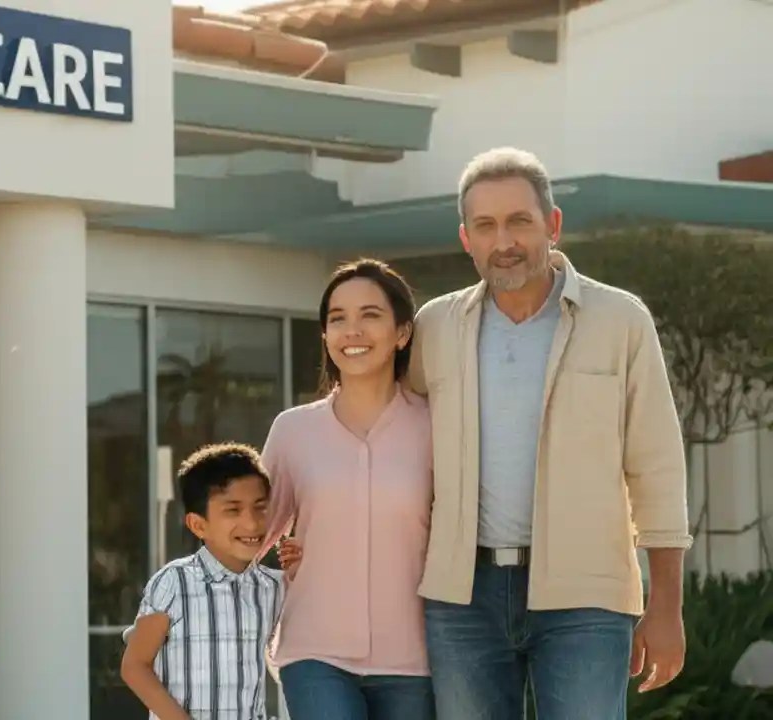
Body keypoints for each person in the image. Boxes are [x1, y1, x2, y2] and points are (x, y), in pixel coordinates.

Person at [408, 146, 692, 719]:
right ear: (466, 238)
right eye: (485, 226)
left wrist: (666, 607)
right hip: (462, 600)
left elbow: (656, 466)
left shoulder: (621, 321)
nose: (503, 241)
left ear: (553, 225)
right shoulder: (433, 327)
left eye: (520, 221)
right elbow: (390, 440)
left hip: (587, 597)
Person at [253, 259, 435, 720]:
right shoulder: (293, 430)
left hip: (416, 659)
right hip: (315, 653)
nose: (352, 331)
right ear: (326, 336)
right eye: (337, 319)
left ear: (402, 333)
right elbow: (250, 534)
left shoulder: (438, 425)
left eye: (370, 315)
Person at [121, 442, 284, 720]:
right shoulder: (174, 582)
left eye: (260, 507)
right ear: (198, 525)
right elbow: (135, 666)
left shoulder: (275, 587)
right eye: (233, 510)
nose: (252, 523)